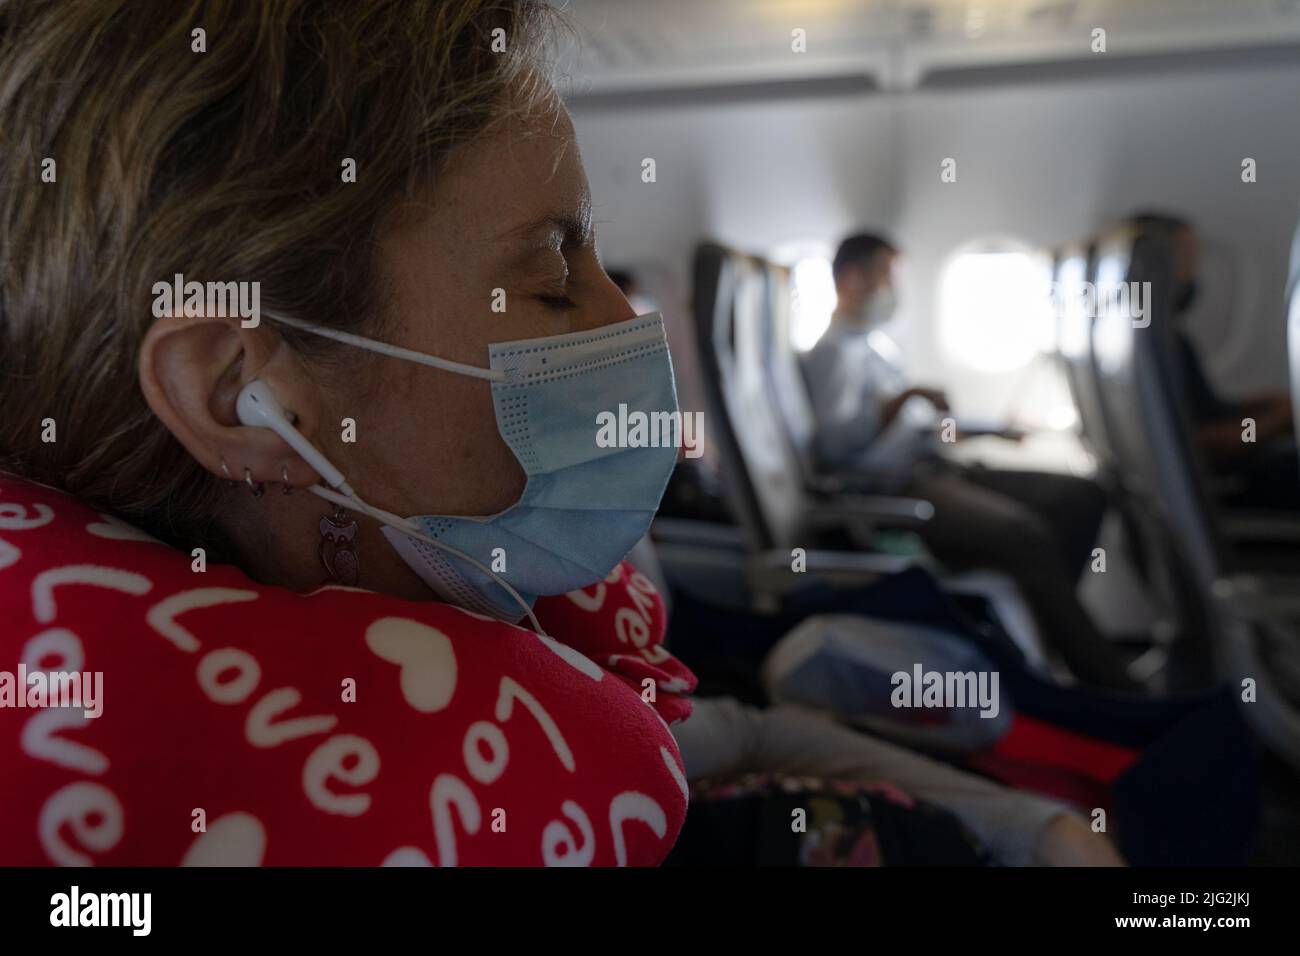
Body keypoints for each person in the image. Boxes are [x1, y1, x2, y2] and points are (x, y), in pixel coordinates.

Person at [0, 0, 1120, 867]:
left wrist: (1034, 830)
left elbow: (708, 735)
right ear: (247, 394)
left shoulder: (463, 600)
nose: (620, 323)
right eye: (547, 281)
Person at [803, 233, 1141, 691]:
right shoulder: (832, 352)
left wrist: (990, 427)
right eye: (886, 276)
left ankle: (1053, 625)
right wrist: (907, 396)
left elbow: (918, 426)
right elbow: (838, 445)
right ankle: (1105, 683)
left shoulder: (873, 345)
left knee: (1082, 495)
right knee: (1025, 534)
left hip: (935, 467)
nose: (893, 289)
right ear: (851, 278)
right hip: (894, 488)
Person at [1127, 211, 1300, 511]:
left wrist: (1281, 405)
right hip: (1226, 480)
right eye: (1187, 262)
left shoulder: (1167, 337)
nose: (1193, 275)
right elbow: (1200, 444)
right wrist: (1282, 421)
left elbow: (1214, 411)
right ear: (1156, 266)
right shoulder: (1158, 344)